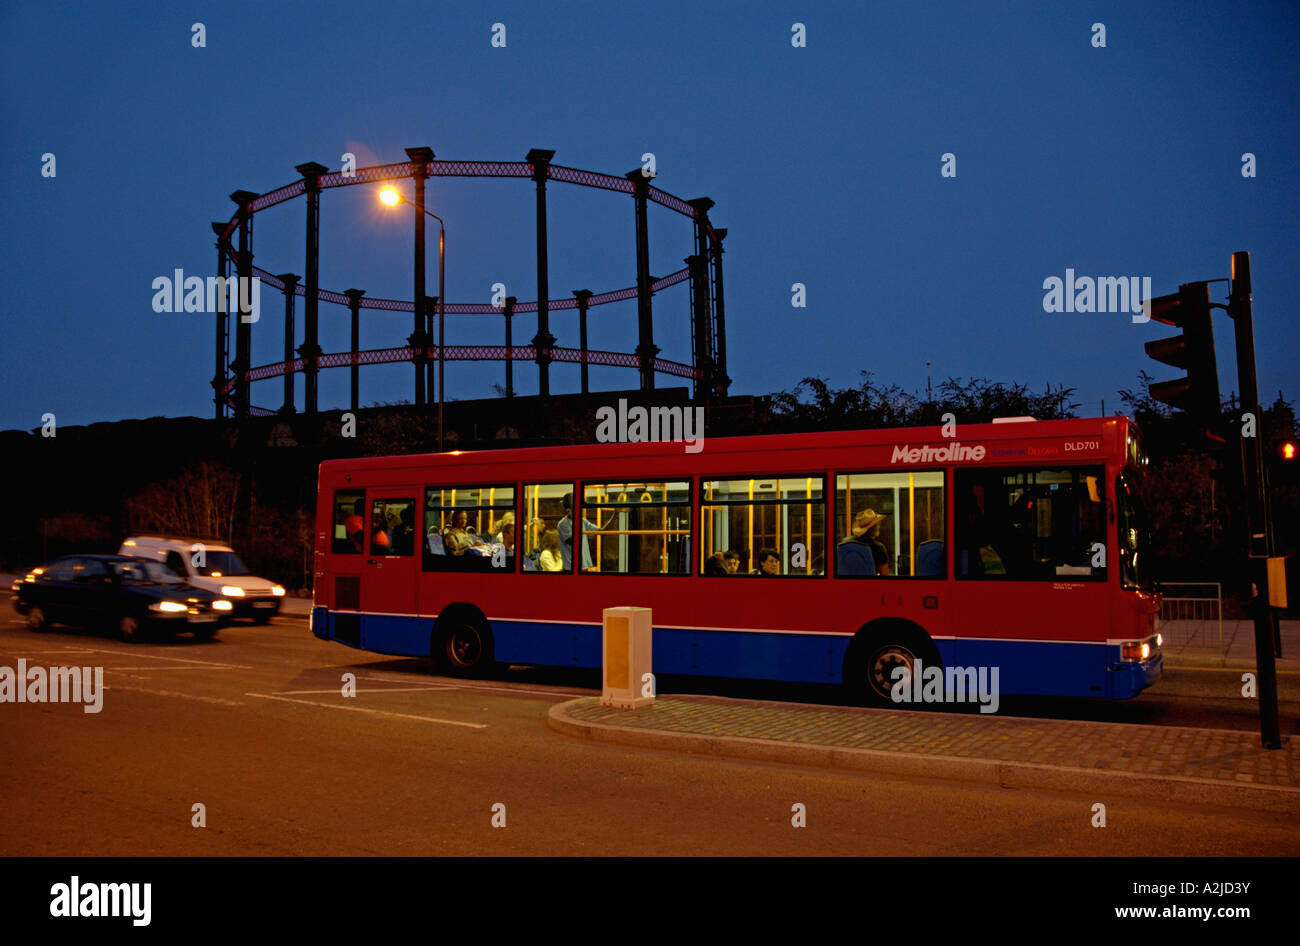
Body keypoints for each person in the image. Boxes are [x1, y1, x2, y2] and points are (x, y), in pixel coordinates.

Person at [557, 492, 614, 572]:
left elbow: (602, 532)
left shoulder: (583, 521)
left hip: (584, 567)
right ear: (568, 509)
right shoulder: (563, 524)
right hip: (570, 568)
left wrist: (615, 514)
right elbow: (575, 540)